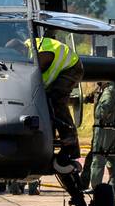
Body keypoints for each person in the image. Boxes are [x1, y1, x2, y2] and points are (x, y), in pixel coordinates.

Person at [34, 33, 85, 171]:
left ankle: (70, 141)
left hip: (71, 68)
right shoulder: (25, 51)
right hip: (57, 69)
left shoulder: (39, 56)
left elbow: (34, 78)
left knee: (56, 99)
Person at [87, 81, 115, 193]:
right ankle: (114, 185)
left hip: (103, 129)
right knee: (113, 157)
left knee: (98, 157)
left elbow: (101, 112)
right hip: (114, 129)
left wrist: (99, 110)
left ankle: (95, 187)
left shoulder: (108, 93)